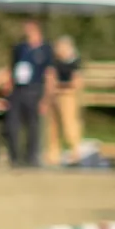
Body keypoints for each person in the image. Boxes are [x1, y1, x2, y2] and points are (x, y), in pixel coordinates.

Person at [3, 19, 52, 167]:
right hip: (18, 90)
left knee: (33, 126)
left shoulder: (46, 50)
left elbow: (50, 75)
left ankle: (31, 157)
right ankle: (14, 158)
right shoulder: (20, 48)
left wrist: (46, 99)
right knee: (12, 124)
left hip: (35, 89)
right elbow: (11, 69)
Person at [43, 35, 84, 165]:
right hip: (55, 95)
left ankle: (75, 152)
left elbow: (76, 82)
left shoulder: (75, 62)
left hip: (68, 95)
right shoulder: (55, 61)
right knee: (53, 125)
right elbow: (51, 77)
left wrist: (60, 86)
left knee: (69, 123)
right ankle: (53, 154)